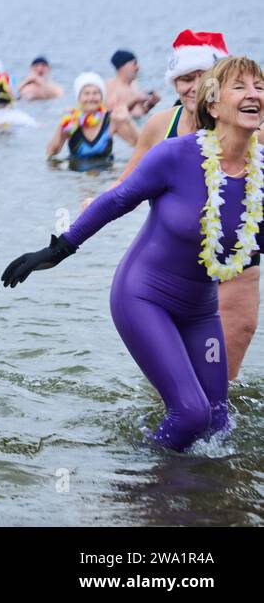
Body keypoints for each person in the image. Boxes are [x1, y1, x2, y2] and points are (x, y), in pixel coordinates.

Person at [3, 56, 264, 451]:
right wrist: (60, 248)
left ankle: (199, 499)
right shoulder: (175, 155)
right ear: (213, 105)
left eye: (259, 87)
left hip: (201, 310)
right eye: (240, 86)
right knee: (191, 413)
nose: (253, 94)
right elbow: (118, 199)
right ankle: (140, 477)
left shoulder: (259, 174)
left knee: (218, 420)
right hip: (144, 297)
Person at [90, 30, 260, 380]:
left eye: (201, 76)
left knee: (221, 370)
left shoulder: (254, 125)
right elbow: (128, 184)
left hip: (237, 265)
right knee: (174, 375)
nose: (193, 86)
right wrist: (95, 201)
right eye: (184, 78)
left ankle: (210, 422)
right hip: (175, 264)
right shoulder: (161, 125)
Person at [45, 73, 138, 165]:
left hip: (105, 176)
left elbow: (138, 144)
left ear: (102, 97)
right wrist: (61, 127)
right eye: (86, 93)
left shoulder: (111, 119)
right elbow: (52, 152)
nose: (91, 98)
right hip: (77, 178)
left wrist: (128, 120)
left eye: (96, 93)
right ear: (79, 98)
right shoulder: (71, 122)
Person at [107, 49, 160, 117]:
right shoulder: (111, 87)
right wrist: (135, 99)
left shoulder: (133, 84)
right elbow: (111, 115)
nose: (138, 67)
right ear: (123, 66)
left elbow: (139, 112)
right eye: (134, 64)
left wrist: (151, 103)